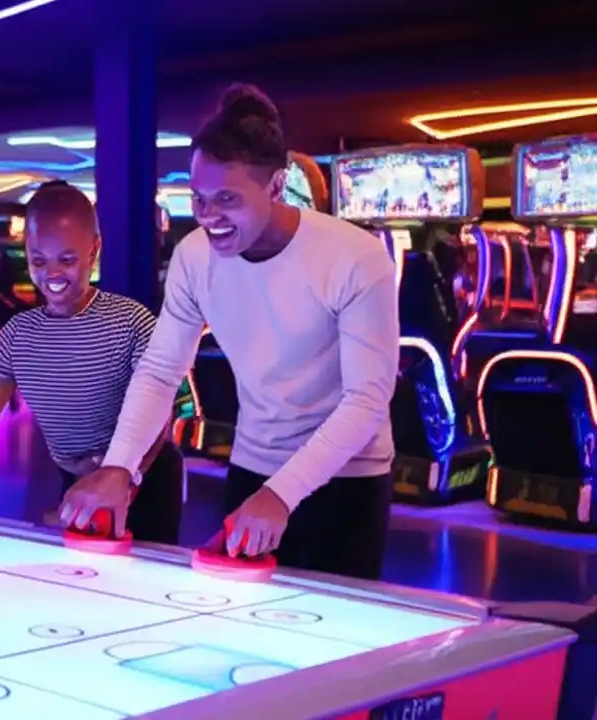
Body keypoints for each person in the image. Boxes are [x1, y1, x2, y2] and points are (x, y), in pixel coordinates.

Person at [64, 84, 399, 580]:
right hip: (253, 466)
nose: (208, 216)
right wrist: (119, 466)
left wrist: (281, 495)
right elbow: (160, 370)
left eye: (227, 199)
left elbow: (368, 400)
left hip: (347, 478)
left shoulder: (355, 258)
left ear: (276, 185)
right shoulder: (194, 258)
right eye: (198, 199)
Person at [0, 181, 184, 544]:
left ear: (94, 250)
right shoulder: (18, 333)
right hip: (75, 479)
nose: (52, 274)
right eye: (39, 261)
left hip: (146, 478)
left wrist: (125, 477)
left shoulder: (131, 322)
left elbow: (160, 414)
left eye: (67, 260)